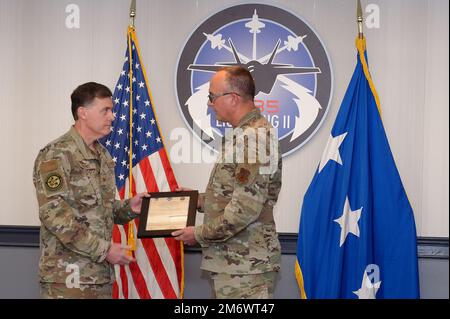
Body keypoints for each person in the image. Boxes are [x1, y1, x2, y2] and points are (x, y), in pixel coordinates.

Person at [173, 66, 283, 299]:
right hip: (236, 264)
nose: (210, 104)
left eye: (212, 97)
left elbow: (244, 210)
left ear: (233, 98)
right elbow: (235, 195)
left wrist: (199, 234)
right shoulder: (245, 134)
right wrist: (196, 200)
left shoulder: (253, 138)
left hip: (246, 268)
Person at [33, 82, 147, 299]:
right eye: (105, 110)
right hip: (67, 279)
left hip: (99, 277)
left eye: (112, 110)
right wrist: (104, 250)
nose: (112, 116)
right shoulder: (56, 155)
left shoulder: (102, 155)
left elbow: (102, 210)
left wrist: (129, 207)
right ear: (82, 113)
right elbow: (55, 217)